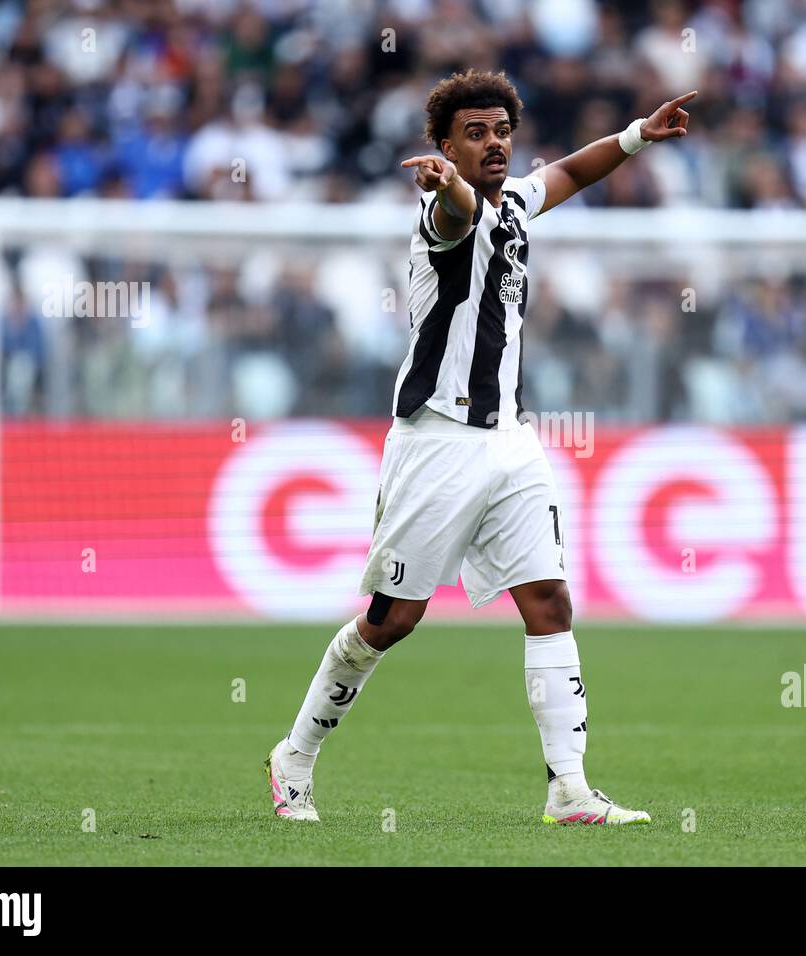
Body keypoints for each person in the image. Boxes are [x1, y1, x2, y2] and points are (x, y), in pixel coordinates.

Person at [267, 69, 694, 825]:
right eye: (474, 133)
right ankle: (295, 754)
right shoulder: (444, 214)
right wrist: (445, 185)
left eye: (501, 131)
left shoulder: (518, 203)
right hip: (436, 442)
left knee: (550, 600)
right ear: (442, 146)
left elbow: (566, 172)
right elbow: (457, 210)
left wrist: (636, 136)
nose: (493, 144)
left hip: (510, 442)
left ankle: (569, 787)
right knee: (393, 620)